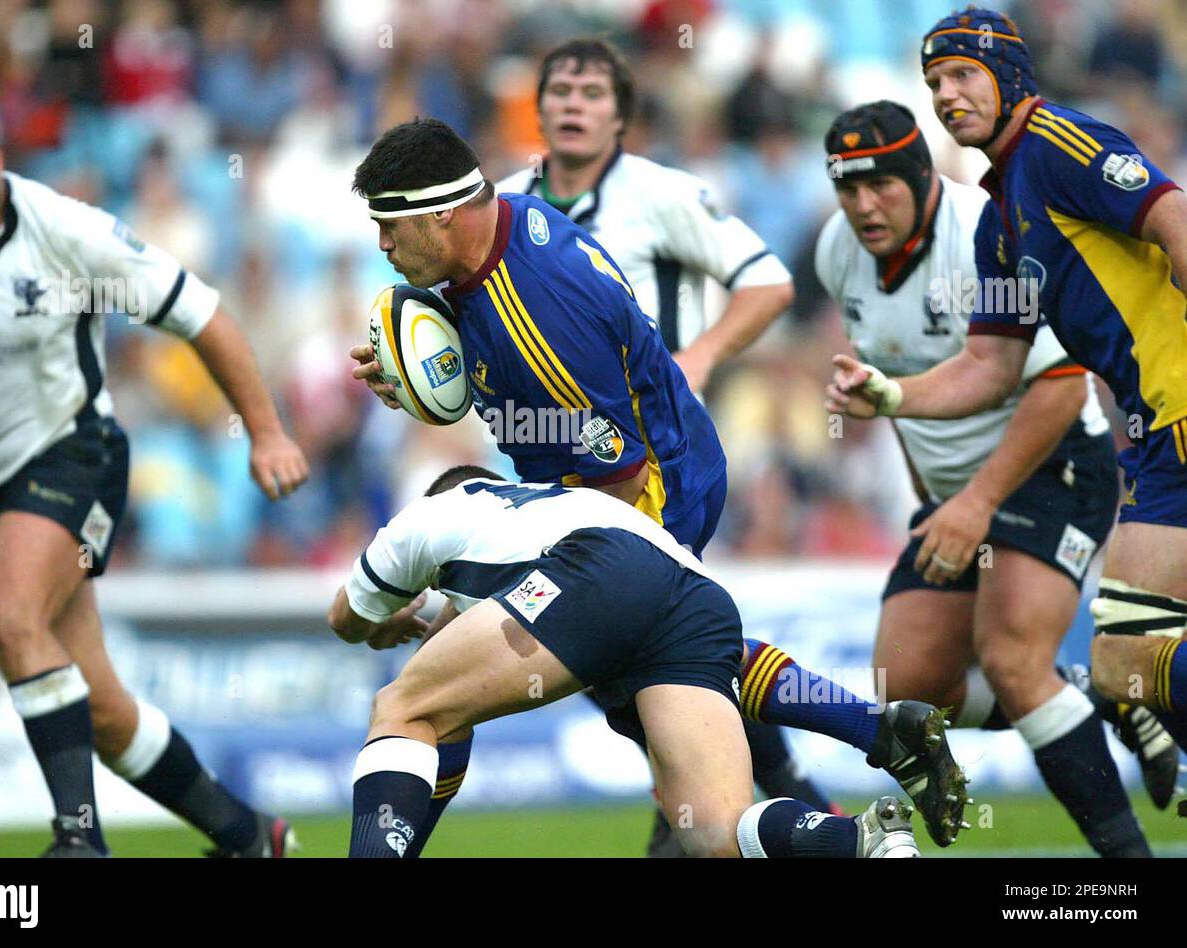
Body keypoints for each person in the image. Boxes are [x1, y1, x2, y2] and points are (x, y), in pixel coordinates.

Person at [0, 99, 310, 856]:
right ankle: (252, 837)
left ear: (0, 156)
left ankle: (80, 840)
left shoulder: (63, 232)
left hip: (73, 454)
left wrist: (268, 432)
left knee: (10, 621)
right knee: (103, 710)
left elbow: (202, 313)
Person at [495, 37, 837, 854]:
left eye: (592, 93)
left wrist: (702, 356)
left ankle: (757, 804)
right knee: (651, 650)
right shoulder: (499, 202)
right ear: (538, 108)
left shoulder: (662, 193)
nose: (574, 105)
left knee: (626, 634)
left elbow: (767, 280)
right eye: (561, 91)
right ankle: (780, 795)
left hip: (649, 459)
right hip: (545, 463)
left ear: (622, 114)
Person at [826, 9, 1187, 772]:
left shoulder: (1058, 144)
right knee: (1126, 666)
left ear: (1010, 75)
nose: (948, 95)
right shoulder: (1000, 221)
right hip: (1160, 431)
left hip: (1182, 409)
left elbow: (1176, 220)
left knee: (1128, 659)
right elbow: (989, 368)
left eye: (963, 75)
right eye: (934, 83)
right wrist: (889, 396)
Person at [327, 465, 957, 858]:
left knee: (402, 706)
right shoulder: (531, 507)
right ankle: (864, 840)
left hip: (595, 570)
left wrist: (382, 624)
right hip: (690, 588)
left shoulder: (424, 518)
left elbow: (345, 617)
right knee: (716, 835)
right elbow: (468, 641)